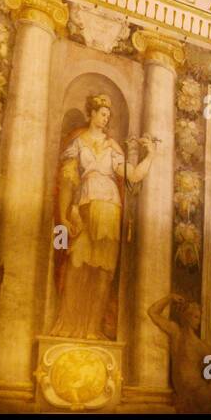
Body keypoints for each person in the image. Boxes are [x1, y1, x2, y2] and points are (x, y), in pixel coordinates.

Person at [50, 95, 153, 339]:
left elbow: (134, 176)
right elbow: (66, 181)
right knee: (76, 265)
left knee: (104, 272)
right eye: (102, 113)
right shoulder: (77, 142)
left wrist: (151, 155)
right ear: (91, 113)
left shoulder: (112, 147)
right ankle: (68, 324)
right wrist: (64, 216)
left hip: (110, 209)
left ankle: (92, 328)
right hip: (85, 206)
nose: (105, 118)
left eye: (108, 115)